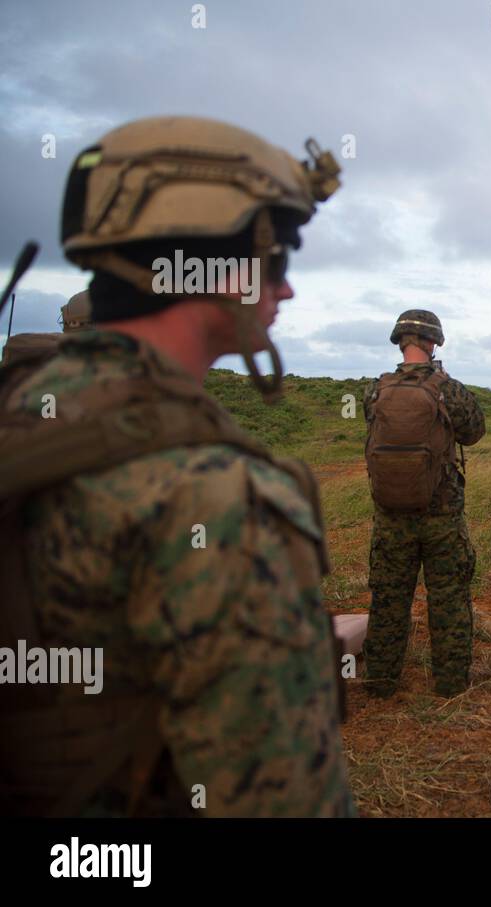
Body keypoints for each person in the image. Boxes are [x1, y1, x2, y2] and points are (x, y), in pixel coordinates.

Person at [0, 115, 354, 817]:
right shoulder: (217, 499)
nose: (286, 290)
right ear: (215, 268)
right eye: (277, 256)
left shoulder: (20, 401)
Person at [362, 310, 485, 698]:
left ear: (400, 341)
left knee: (388, 599)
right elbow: (474, 433)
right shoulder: (450, 389)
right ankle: (449, 686)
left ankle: (380, 682)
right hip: (442, 515)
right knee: (448, 598)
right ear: (433, 343)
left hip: (390, 516)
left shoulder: (375, 390)